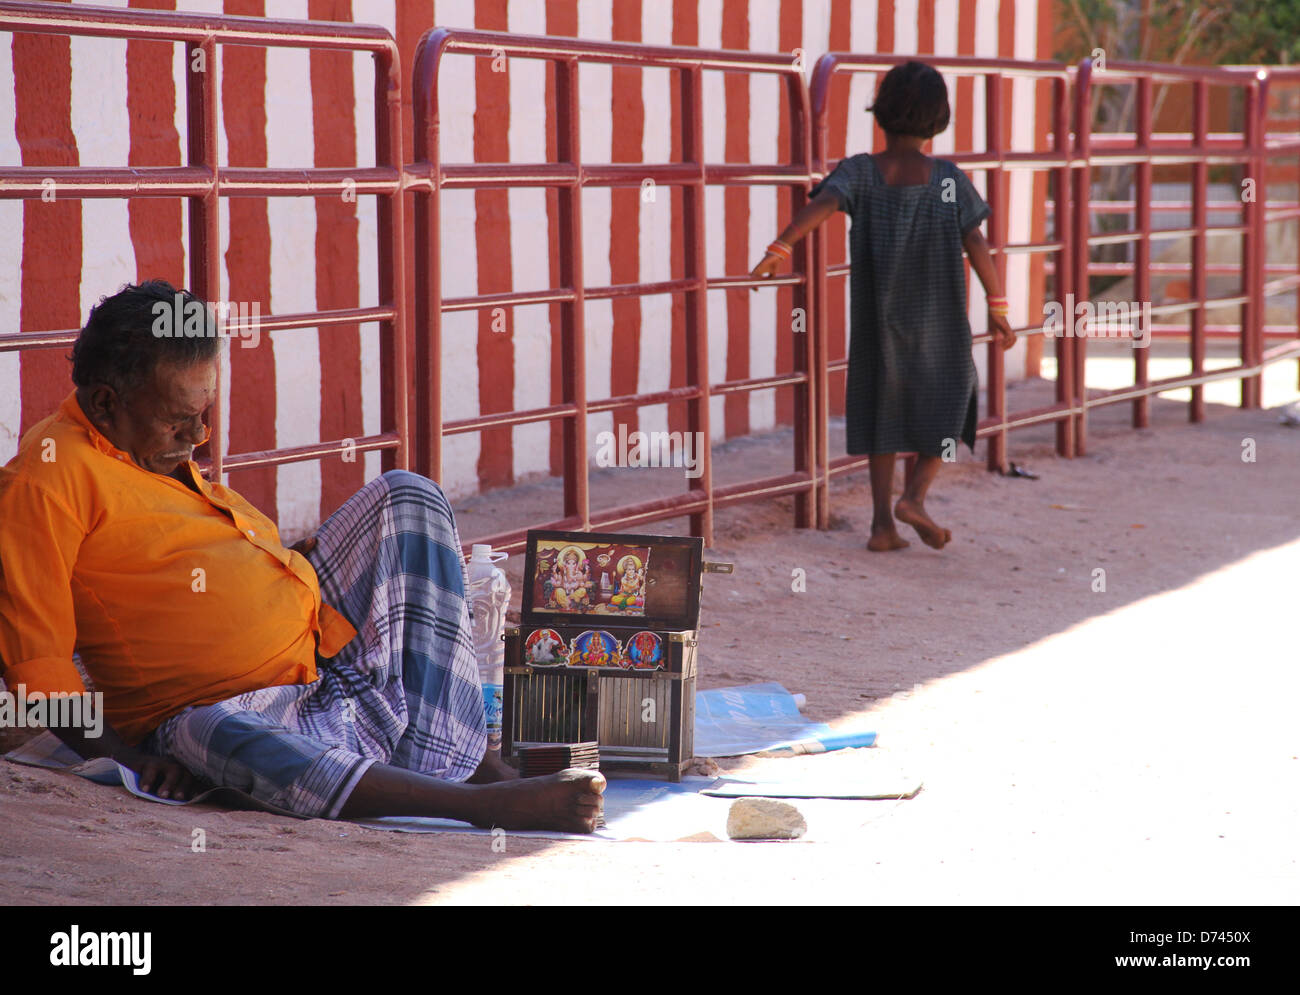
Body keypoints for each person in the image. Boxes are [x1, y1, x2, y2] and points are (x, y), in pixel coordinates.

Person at [0, 281, 603, 832]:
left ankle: (465, 757)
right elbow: (38, 663)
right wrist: (123, 757)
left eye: (204, 415)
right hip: (217, 713)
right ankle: (476, 802)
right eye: (180, 421)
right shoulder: (47, 478)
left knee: (408, 496)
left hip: (323, 661)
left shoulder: (142, 443)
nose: (198, 437)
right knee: (209, 734)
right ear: (106, 404)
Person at [752, 60, 1016, 552]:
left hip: (879, 324)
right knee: (954, 407)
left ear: (882, 112)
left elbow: (823, 204)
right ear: (940, 117)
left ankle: (881, 526)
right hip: (940, 324)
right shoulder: (947, 179)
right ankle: (914, 496)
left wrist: (779, 248)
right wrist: (998, 306)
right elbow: (976, 241)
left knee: (883, 414)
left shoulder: (861, 172)